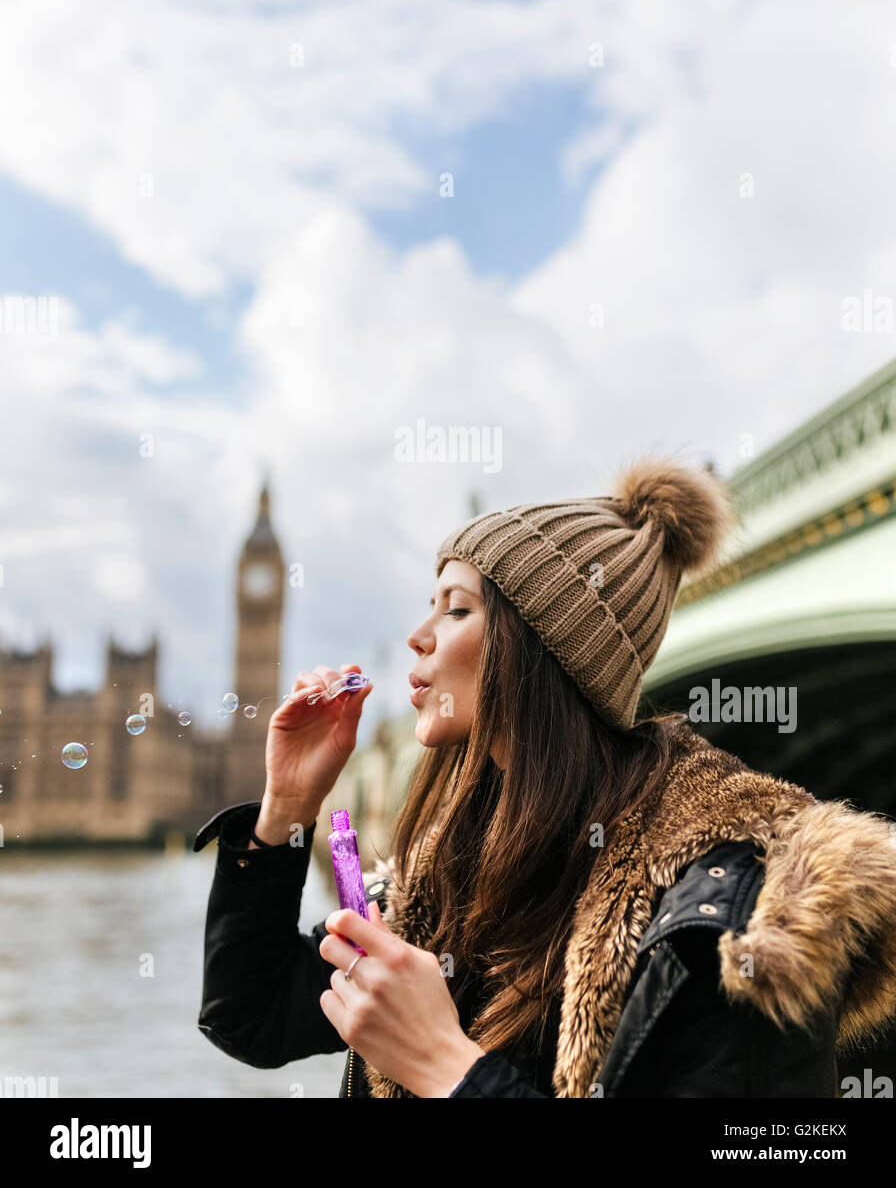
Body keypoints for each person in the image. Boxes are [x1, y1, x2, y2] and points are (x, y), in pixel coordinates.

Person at [194, 455, 896, 1097]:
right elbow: (250, 1016)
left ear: (543, 649)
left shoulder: (727, 919)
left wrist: (449, 1069)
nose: (418, 635)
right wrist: (287, 805)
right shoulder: (444, 877)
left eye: (458, 607)